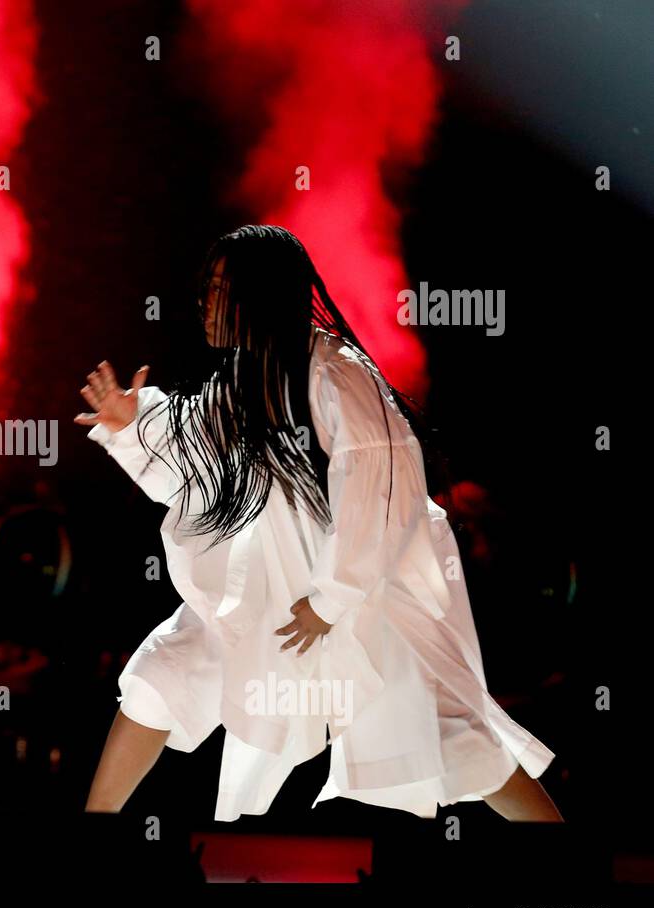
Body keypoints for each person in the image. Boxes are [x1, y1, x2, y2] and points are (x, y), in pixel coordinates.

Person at [76, 224, 562, 824]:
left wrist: (331, 600)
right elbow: (193, 465)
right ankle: (91, 837)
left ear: (263, 296)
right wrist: (131, 424)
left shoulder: (335, 374)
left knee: (454, 738)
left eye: (224, 288)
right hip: (270, 595)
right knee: (166, 673)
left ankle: (565, 874)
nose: (206, 299)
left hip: (360, 602)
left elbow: (380, 484)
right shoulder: (242, 381)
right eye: (208, 285)